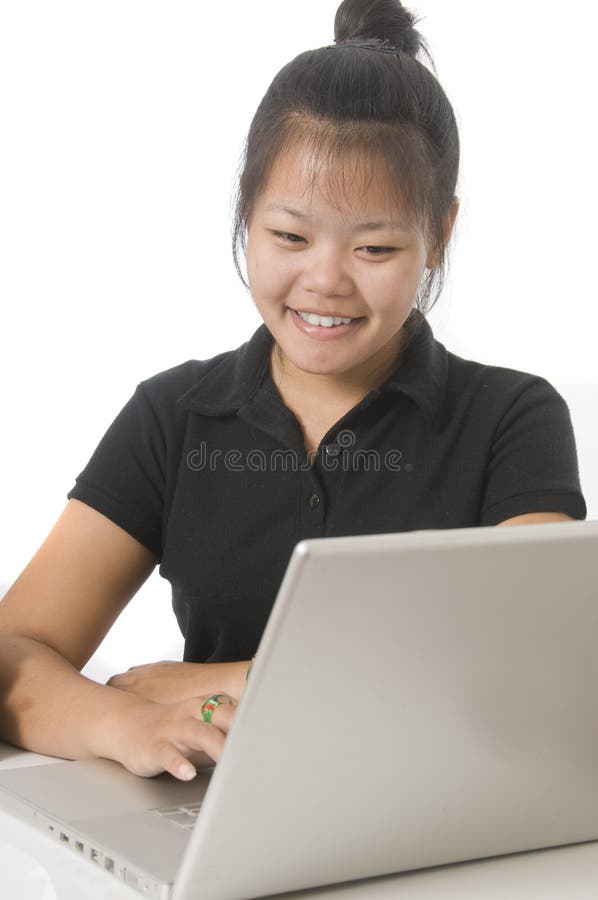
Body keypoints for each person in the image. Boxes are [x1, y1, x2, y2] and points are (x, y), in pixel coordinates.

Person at [0, 0, 586, 783]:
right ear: (246, 210)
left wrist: (221, 682)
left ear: (440, 234)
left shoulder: (512, 419)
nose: (325, 281)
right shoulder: (173, 417)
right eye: (289, 236)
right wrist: (129, 721)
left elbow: (536, 675)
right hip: (199, 812)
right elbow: (13, 655)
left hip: (437, 820)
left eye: (375, 246)